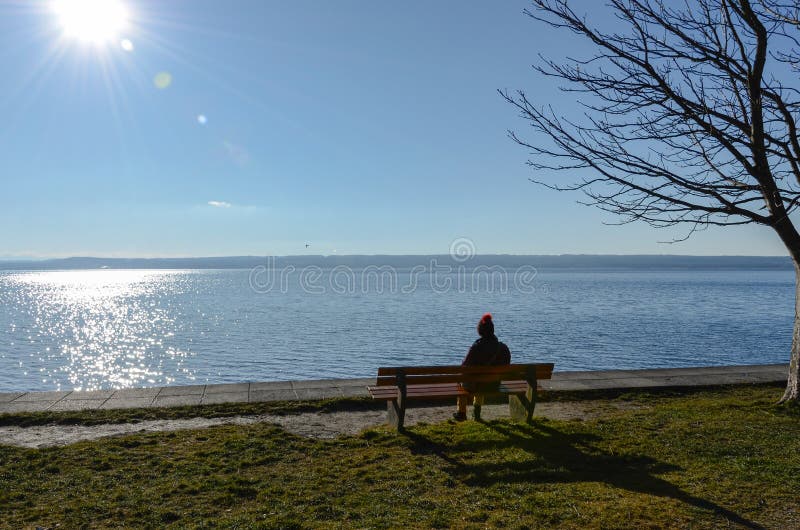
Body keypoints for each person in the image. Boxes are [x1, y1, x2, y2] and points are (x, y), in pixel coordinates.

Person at [454, 313, 511, 421]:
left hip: (478, 385)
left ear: (480, 330)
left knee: (462, 380)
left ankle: (461, 413)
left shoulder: (476, 347)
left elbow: (464, 368)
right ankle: (476, 413)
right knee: (481, 379)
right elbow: (506, 365)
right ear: (492, 330)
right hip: (494, 385)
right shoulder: (503, 348)